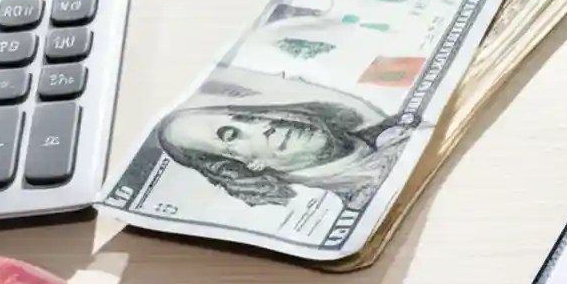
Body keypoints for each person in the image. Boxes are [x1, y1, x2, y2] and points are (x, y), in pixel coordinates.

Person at [155, 87, 412, 211]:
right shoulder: (364, 196)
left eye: (248, 117)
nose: (267, 124)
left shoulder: (386, 131)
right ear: (247, 165)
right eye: (231, 135)